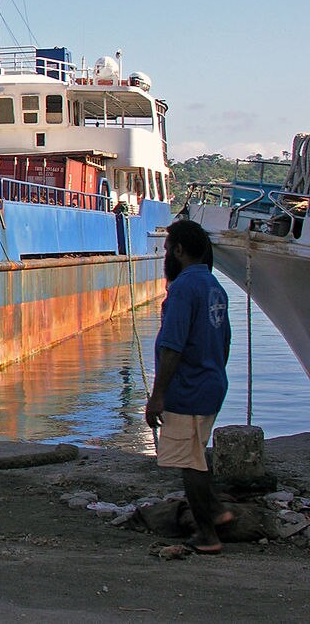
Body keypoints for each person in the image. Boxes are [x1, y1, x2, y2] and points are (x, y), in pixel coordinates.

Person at [145, 219, 233, 554]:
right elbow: (225, 342)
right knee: (196, 452)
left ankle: (208, 534)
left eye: (168, 248)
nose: (165, 254)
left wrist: (158, 396)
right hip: (212, 383)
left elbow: (172, 347)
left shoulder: (182, 289)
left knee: (190, 462)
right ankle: (216, 511)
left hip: (188, 388)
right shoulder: (215, 287)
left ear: (179, 250)